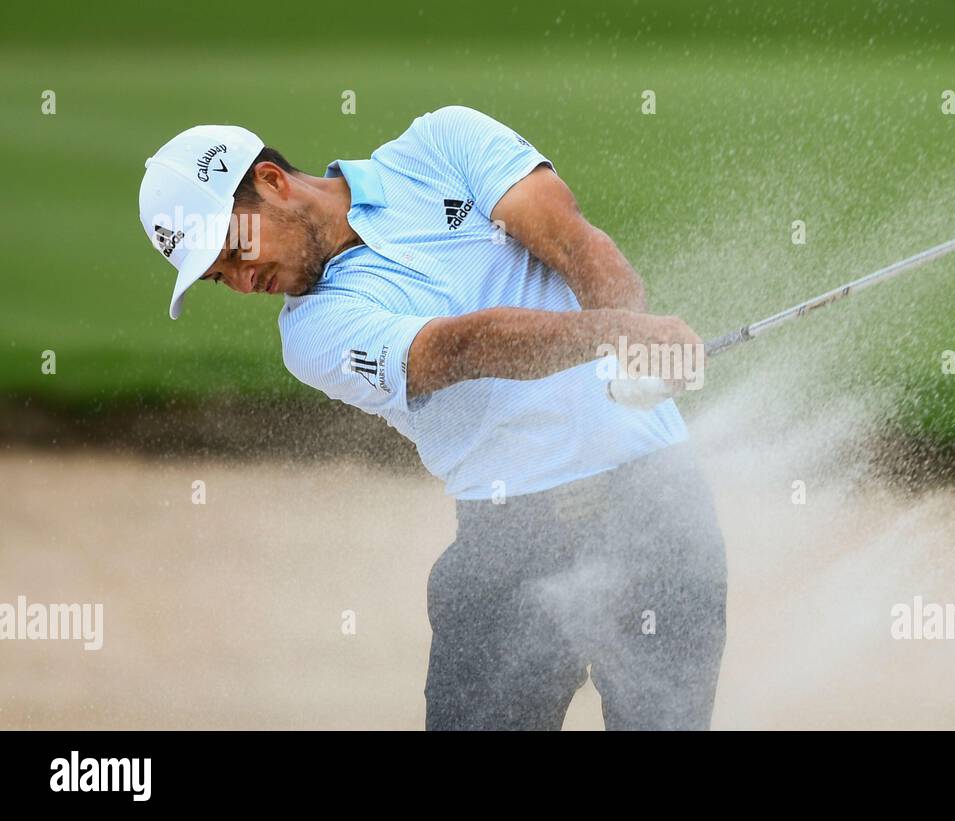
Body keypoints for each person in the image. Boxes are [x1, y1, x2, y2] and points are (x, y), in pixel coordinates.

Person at [137, 106, 728, 730]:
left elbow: (571, 239)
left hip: (659, 507)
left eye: (234, 249)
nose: (241, 279)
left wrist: (633, 341)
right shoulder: (312, 334)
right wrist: (619, 334)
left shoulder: (444, 142)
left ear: (272, 181)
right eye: (217, 277)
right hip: (510, 543)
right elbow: (461, 348)